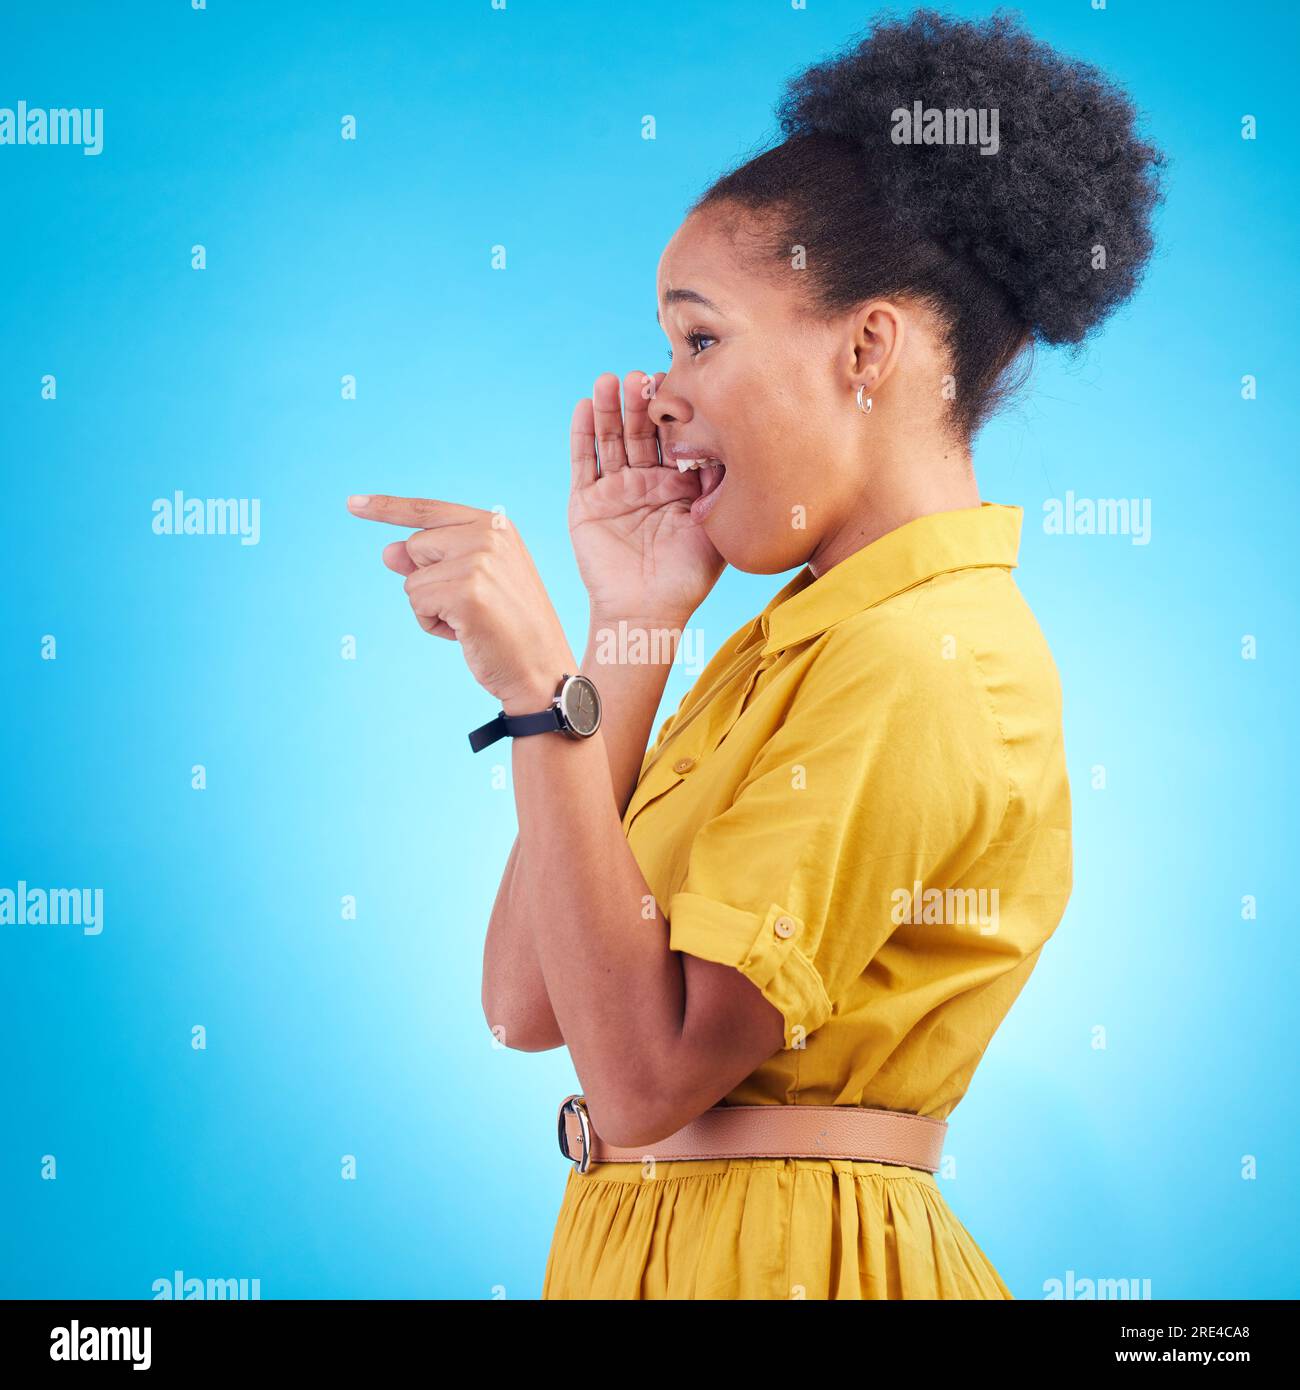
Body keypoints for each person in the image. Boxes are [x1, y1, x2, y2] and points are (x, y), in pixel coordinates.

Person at [348, 8, 1165, 1299]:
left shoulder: (928, 656)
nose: (660, 390)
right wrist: (632, 623)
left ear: (866, 350)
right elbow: (524, 1000)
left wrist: (538, 691)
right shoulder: (782, 649)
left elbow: (642, 1073)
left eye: (700, 336)